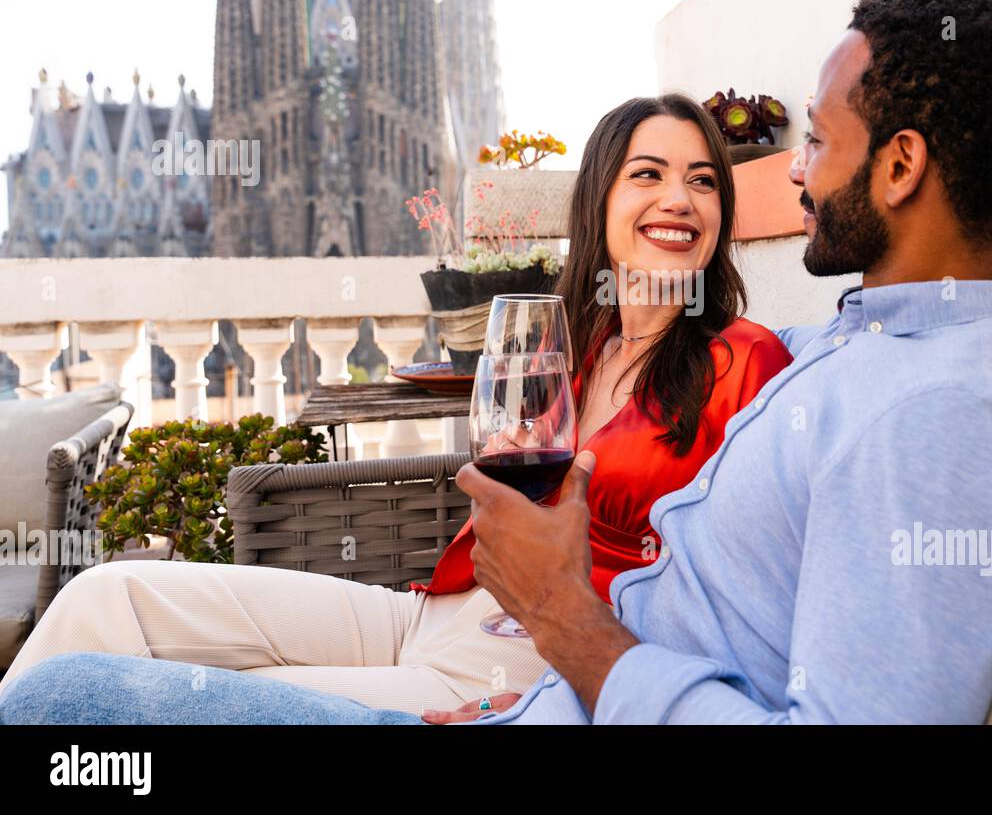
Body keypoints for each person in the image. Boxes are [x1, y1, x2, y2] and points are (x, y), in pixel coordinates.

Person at [0, 0, 992, 725]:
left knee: (68, 704)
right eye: (647, 176)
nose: (795, 175)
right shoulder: (856, 360)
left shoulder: (935, 415)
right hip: (507, 658)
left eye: (812, 140)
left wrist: (562, 615)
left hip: (525, 674)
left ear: (899, 169)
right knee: (104, 607)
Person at [0, 95, 791, 717]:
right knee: (109, 596)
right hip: (431, 612)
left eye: (704, 179)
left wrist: (570, 699)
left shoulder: (746, 363)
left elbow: (735, 605)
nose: (679, 198)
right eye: (647, 174)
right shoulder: (572, 339)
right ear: (601, 202)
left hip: (536, 661)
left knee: (203, 693)